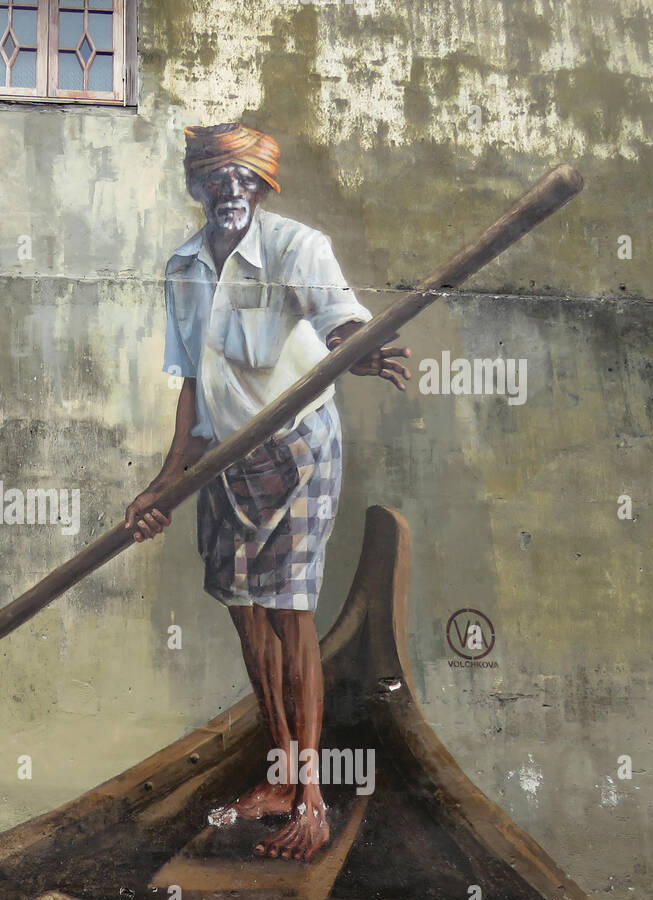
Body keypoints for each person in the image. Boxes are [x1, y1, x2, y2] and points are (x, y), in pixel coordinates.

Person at [124, 122, 410, 862]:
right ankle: (280, 772)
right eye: (217, 181)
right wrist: (163, 486)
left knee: (289, 612)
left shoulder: (296, 248)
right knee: (247, 617)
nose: (230, 193)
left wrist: (362, 351)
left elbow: (344, 326)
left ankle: (310, 794)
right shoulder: (183, 268)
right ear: (199, 188)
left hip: (298, 450)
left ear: (261, 188)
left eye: (243, 181)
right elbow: (194, 387)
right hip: (224, 458)